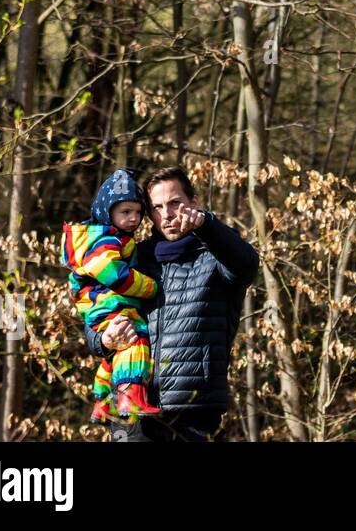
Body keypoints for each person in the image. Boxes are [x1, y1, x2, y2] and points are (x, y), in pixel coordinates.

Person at [84, 166, 259, 442]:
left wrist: (206, 225)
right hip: (130, 409)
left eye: (175, 204)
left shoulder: (216, 257)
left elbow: (247, 264)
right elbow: (97, 309)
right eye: (156, 207)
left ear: (193, 203)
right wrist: (103, 339)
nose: (166, 215)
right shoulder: (134, 259)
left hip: (192, 409)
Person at [62, 168, 161, 421]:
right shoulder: (105, 239)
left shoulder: (115, 237)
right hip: (106, 303)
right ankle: (130, 397)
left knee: (118, 352)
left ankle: (103, 402)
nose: (134, 219)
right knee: (134, 340)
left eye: (138, 212)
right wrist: (149, 287)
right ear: (108, 211)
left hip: (104, 303)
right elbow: (113, 274)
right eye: (125, 212)